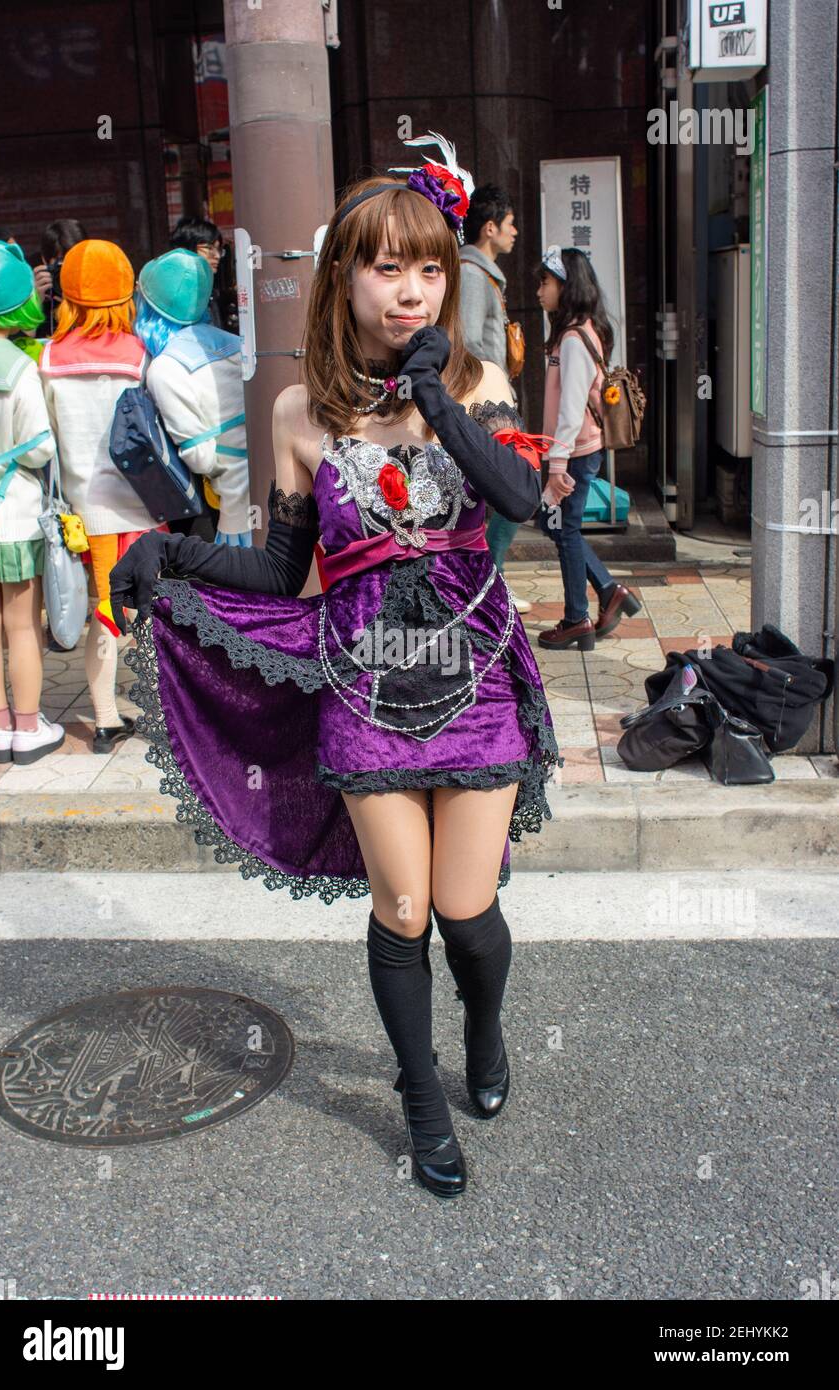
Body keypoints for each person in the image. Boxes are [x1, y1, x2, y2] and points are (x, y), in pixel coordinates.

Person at [108, 146, 560, 1201]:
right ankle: (417, 1096)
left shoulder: (477, 384)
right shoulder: (297, 416)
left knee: (469, 911)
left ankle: (482, 1031)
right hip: (362, 688)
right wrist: (169, 550)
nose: (409, 289)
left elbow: (517, 499)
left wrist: (434, 402)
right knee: (402, 908)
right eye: (386, 268)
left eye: (429, 270)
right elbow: (275, 567)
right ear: (343, 279)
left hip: (476, 675)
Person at [39, 239, 170, 753]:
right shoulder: (141, 355)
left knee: (106, 614)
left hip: (86, 514)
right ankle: (169, 714)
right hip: (143, 506)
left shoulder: (49, 358)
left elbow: (47, 441)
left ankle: (106, 720)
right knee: (153, 611)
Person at [0, 239, 61, 764]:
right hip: (13, 518)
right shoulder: (17, 367)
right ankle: (29, 729)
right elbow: (40, 450)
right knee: (23, 626)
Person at [535, 246, 642, 651]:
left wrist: (557, 464)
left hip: (575, 451)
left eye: (545, 282)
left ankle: (577, 619)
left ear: (566, 286)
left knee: (564, 529)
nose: (540, 291)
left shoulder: (574, 339)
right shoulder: (577, 331)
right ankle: (608, 590)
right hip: (574, 449)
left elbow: (570, 407)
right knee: (556, 525)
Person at [134, 248, 250, 545]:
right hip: (269, 504)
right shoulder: (239, 345)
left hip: (235, 519)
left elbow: (201, 458)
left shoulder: (164, 370)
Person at [458, 184, 532, 615]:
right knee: (512, 494)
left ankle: (490, 582)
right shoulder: (471, 275)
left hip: (495, 405)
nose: (516, 232)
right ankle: (487, 584)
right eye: (510, 224)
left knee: (512, 495)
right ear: (489, 228)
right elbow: (467, 342)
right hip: (484, 410)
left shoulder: (482, 274)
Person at [168, 216, 226, 328]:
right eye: (209, 248)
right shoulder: (174, 293)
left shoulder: (209, 291)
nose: (217, 256)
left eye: (219, 249)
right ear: (187, 248)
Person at [35, 218, 88, 337]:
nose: (68, 272)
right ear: (45, 261)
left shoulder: (99, 295)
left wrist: (82, 307)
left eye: (74, 262)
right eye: (62, 265)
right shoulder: (40, 298)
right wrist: (35, 303)